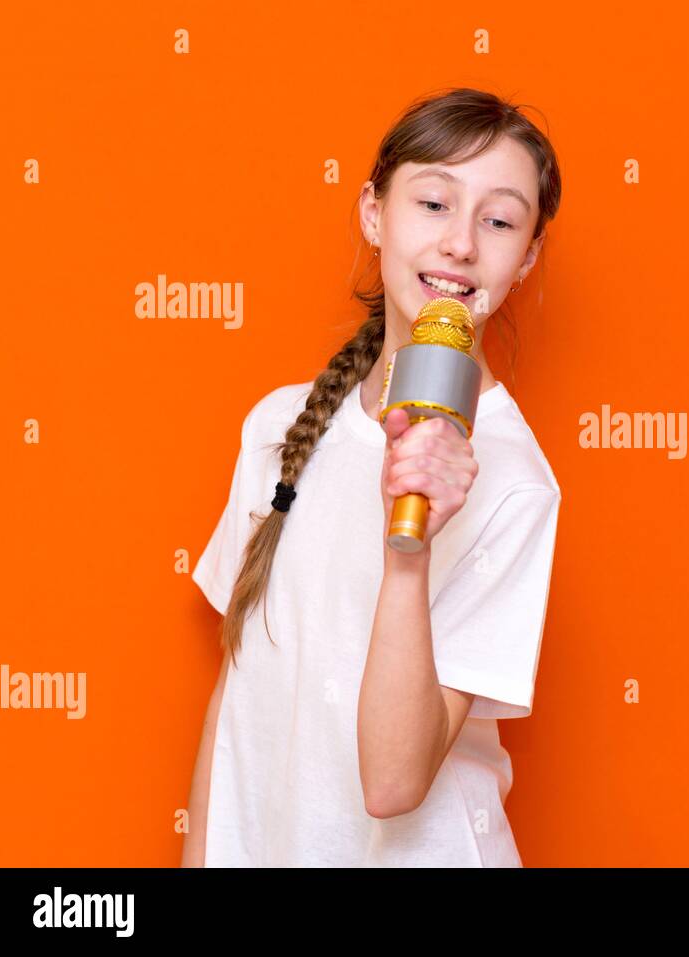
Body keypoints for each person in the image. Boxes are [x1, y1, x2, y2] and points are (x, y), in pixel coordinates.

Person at [180, 87, 563, 867]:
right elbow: (238, 693)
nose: (459, 243)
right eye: (432, 202)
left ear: (525, 257)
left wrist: (410, 548)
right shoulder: (279, 427)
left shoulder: (517, 481)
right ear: (373, 212)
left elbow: (392, 782)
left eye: (497, 220)